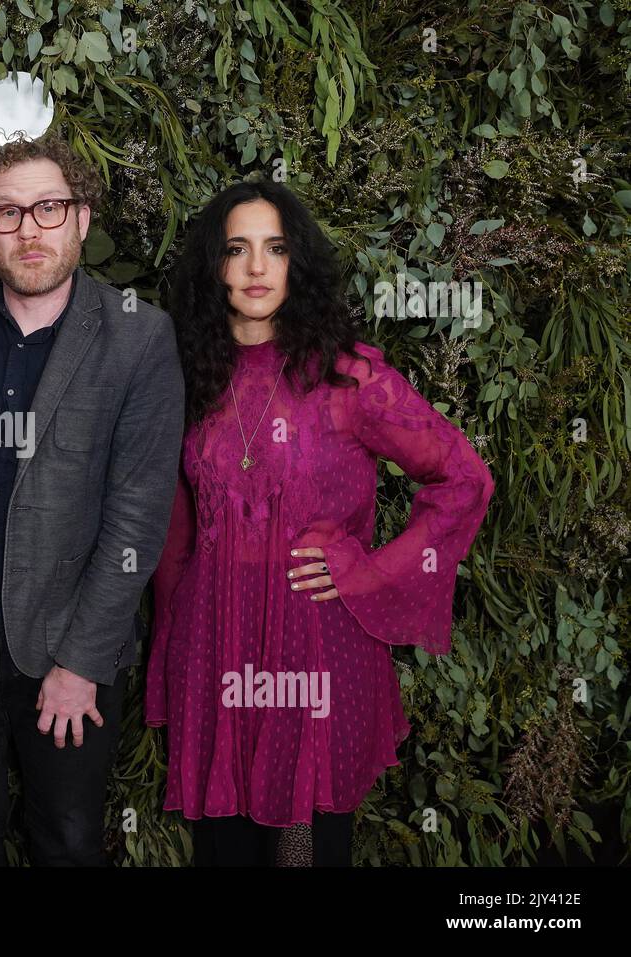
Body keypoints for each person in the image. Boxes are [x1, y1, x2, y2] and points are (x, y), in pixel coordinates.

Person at [146, 180, 495, 866]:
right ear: (212, 265)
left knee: (302, 851)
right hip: (214, 645)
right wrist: (169, 646)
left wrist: (370, 570)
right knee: (224, 849)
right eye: (236, 249)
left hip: (316, 652)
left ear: (295, 263)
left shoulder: (349, 378)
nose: (255, 268)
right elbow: (173, 528)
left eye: (274, 248)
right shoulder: (187, 375)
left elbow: (463, 479)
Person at [0, 130, 185, 865]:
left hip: (64, 650)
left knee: (64, 839)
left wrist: (81, 662)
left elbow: (138, 516)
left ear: (83, 218)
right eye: (6, 213)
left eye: (49, 208)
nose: (29, 229)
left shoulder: (138, 338)